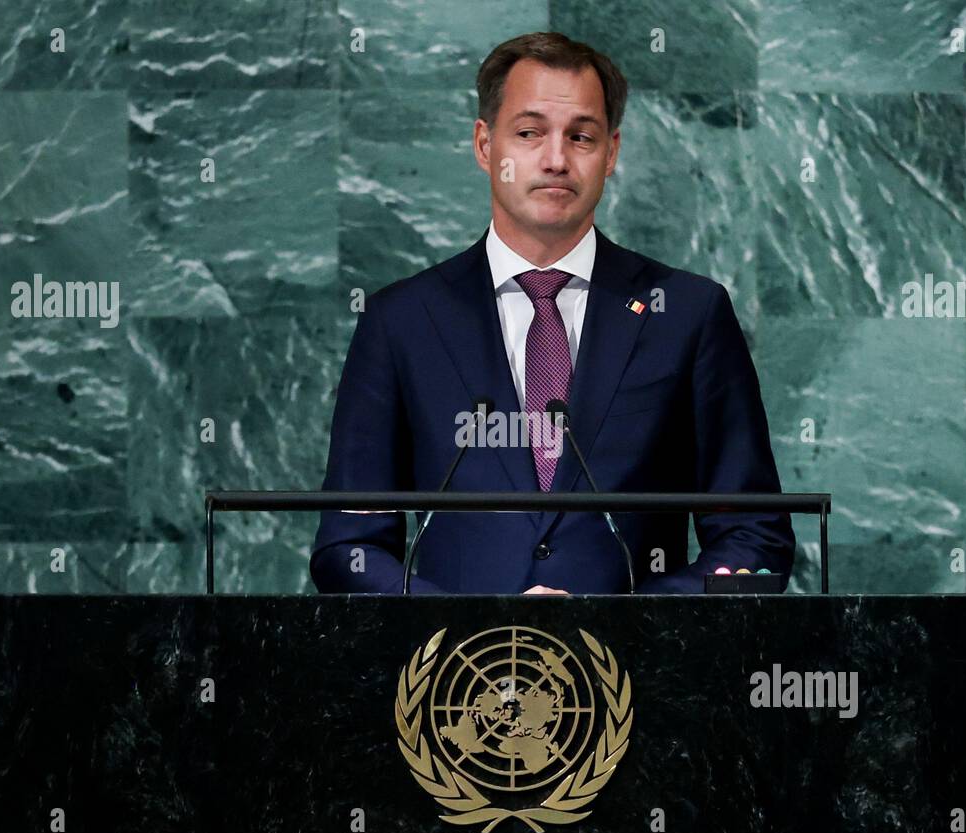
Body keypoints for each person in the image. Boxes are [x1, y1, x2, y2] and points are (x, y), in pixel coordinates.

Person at [311, 31, 794, 595]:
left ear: (611, 153)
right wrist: (476, 629)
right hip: (453, 673)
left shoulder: (687, 313)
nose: (557, 159)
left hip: (637, 672)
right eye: (529, 133)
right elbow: (349, 547)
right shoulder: (402, 320)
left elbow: (754, 538)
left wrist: (617, 624)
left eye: (581, 137)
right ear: (485, 146)